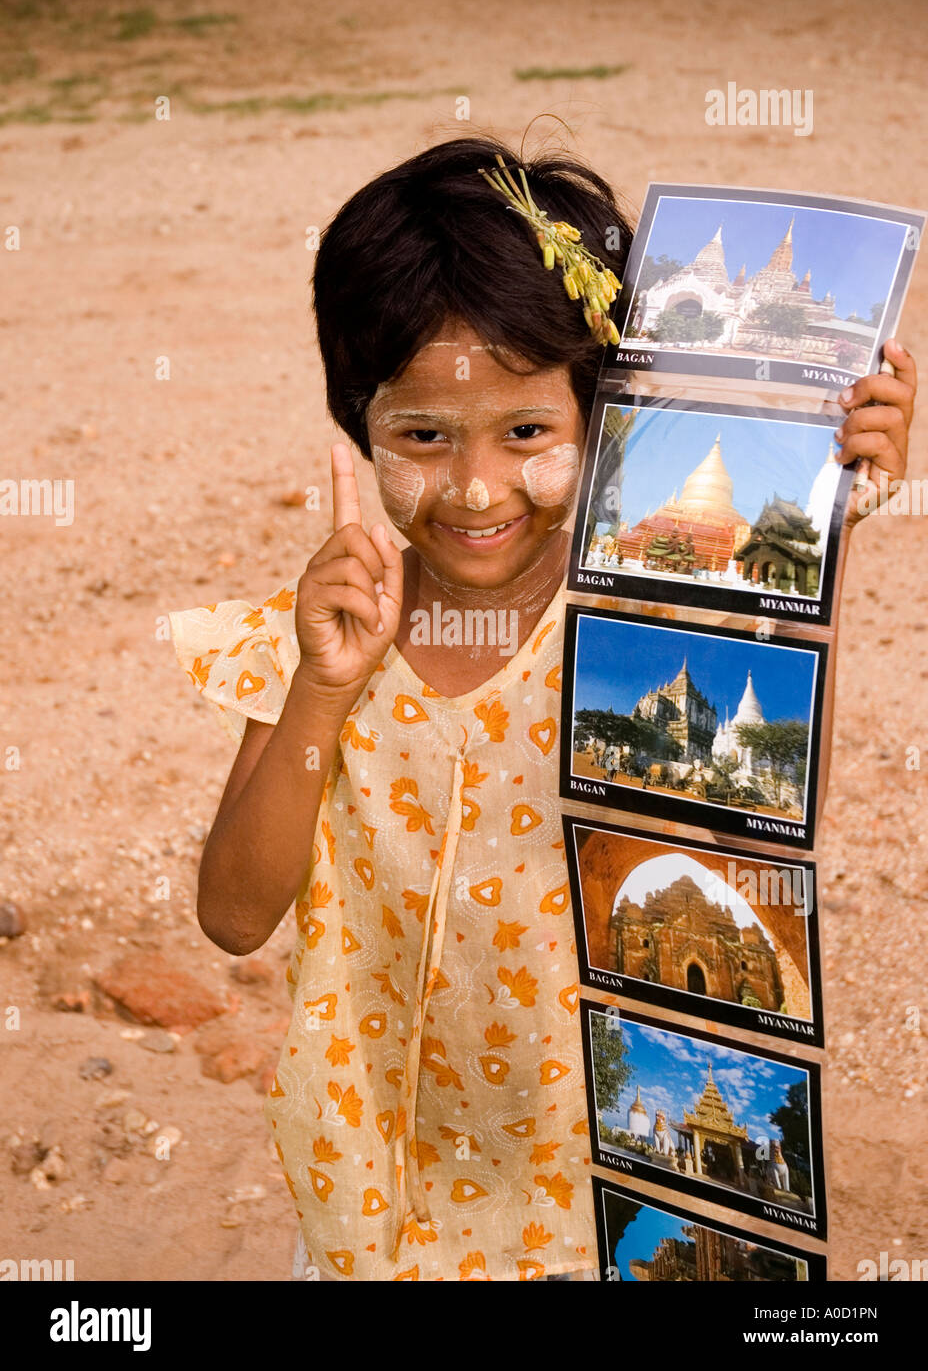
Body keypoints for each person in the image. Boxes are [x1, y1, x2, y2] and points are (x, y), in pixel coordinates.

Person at [168, 136, 916, 1281]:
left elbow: (755, 786)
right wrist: (322, 685)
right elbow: (231, 913)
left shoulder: (643, 629)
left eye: (527, 433)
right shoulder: (319, 636)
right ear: (357, 425)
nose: (475, 489)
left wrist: (827, 502)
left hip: (593, 1206)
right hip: (377, 1200)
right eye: (423, 435)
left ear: (601, 416)